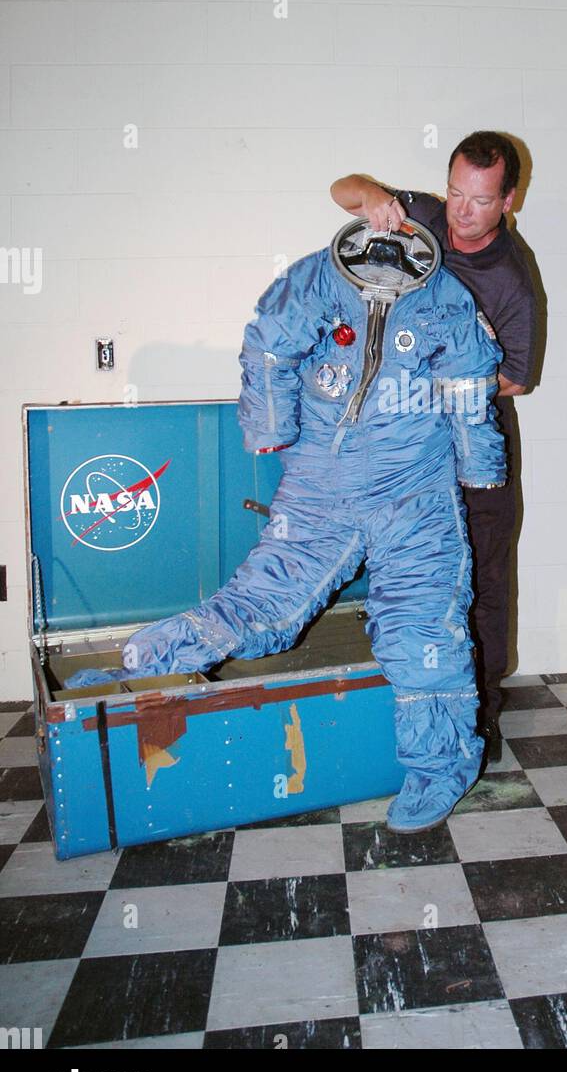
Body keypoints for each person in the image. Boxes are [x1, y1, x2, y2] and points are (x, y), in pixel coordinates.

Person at [65, 218, 506, 835]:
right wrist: (270, 427)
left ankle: (442, 769)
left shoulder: (445, 297)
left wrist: (477, 463)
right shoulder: (316, 279)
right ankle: (140, 669)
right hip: (322, 487)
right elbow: (269, 344)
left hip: (416, 495)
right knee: (261, 605)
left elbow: (468, 386)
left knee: (422, 629)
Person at [330, 131, 538, 762]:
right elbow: (342, 192)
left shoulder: (512, 282)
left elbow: (518, 379)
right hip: (404, 444)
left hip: (475, 451)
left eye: (478, 201)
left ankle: (482, 716)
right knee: (403, 573)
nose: (460, 213)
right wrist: (372, 198)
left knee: (483, 581)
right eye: (453, 193)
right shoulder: (420, 217)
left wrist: (432, 382)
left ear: (508, 202)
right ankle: (405, 702)